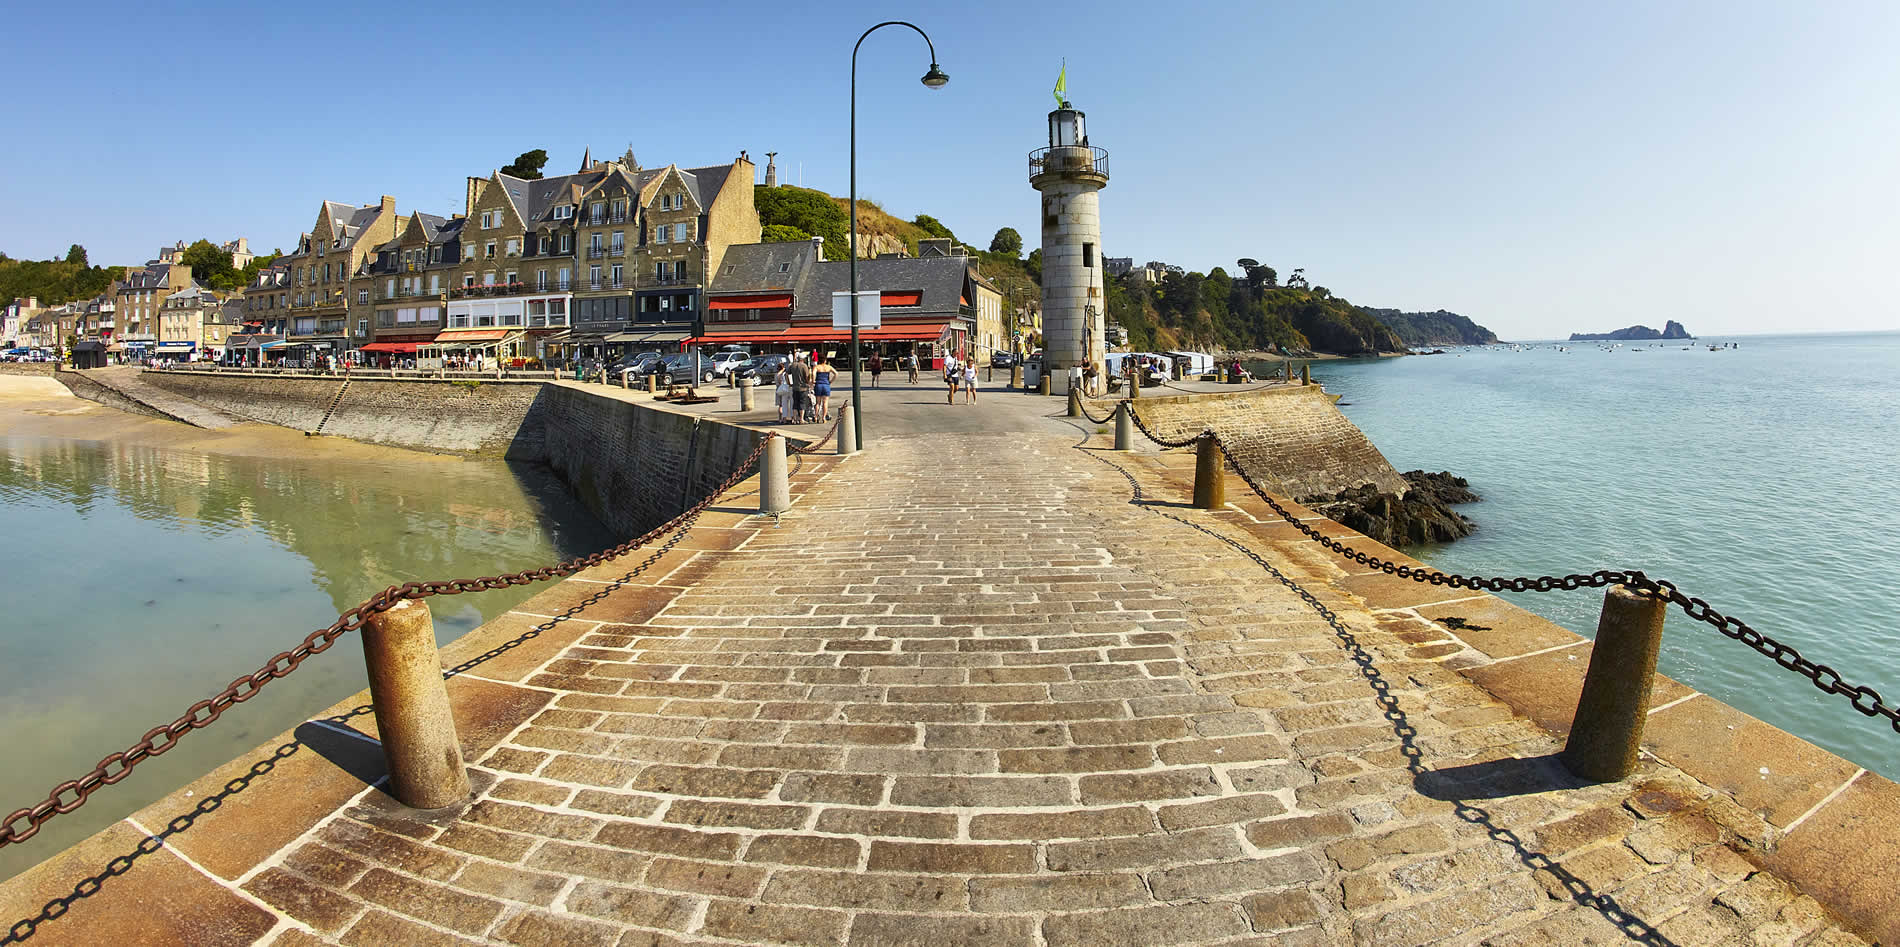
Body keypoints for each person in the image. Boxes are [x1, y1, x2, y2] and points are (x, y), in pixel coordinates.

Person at [789, 354, 814, 423]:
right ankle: (801, 419)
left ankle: (794, 419)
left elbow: (787, 374)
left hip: (794, 387)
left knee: (795, 403)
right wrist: (809, 380)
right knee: (802, 403)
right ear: (803, 359)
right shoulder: (804, 366)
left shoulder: (792, 365)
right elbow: (807, 377)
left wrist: (789, 383)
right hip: (803, 387)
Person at [812, 354, 835, 421]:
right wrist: (831, 381)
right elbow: (836, 373)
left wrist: (814, 380)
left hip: (818, 384)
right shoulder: (828, 367)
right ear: (825, 360)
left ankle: (816, 416)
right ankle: (824, 417)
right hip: (826, 384)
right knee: (825, 402)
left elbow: (813, 373)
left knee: (818, 402)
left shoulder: (816, 367)